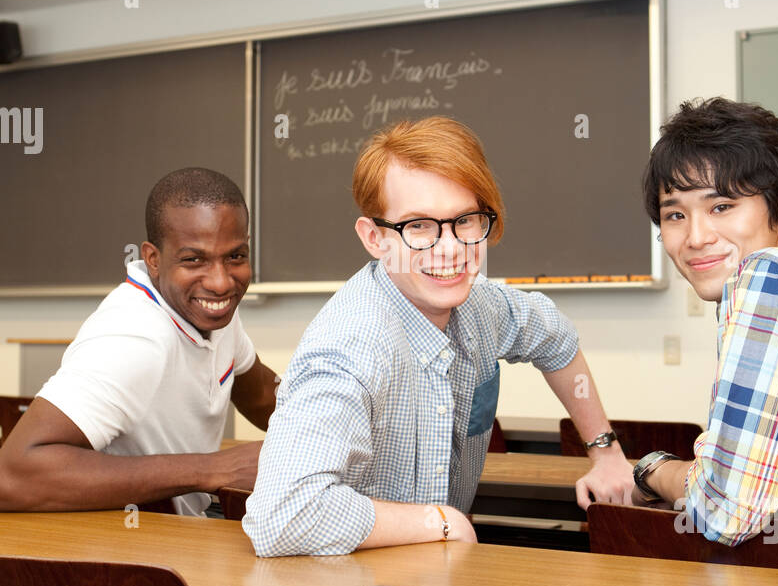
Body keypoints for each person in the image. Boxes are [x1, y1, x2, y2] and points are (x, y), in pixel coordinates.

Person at [244, 116, 633, 557]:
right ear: (374, 238)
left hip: (439, 581)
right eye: (419, 227)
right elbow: (282, 515)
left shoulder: (480, 306)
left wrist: (605, 451)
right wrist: (441, 521)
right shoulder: (349, 351)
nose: (449, 249)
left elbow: (554, 337)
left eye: (464, 221)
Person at [624, 96, 778, 542]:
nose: (695, 237)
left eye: (722, 207)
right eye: (675, 214)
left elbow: (727, 511)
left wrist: (651, 470)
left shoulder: (773, 276)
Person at [0, 167, 278, 515]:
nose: (221, 283)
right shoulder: (134, 335)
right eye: (194, 259)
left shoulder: (209, 311)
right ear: (153, 259)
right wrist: (213, 469)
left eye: (235, 256)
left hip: (188, 525)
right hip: (129, 551)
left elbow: (262, 394)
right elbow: (12, 476)